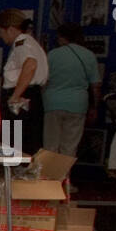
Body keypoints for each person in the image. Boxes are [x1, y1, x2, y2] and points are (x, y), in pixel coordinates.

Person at [43, 22, 100, 157]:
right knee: (70, 146)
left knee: (50, 145)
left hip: (53, 103)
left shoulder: (52, 55)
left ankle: (49, 176)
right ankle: (64, 176)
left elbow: (44, 81)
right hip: (78, 104)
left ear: (61, 37)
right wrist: (94, 107)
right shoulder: (88, 55)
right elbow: (96, 85)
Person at [0, 9, 48, 154]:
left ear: (10, 29)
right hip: (32, 93)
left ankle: (12, 173)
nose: (0, 36)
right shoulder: (32, 43)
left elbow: (30, 64)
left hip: (21, 95)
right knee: (30, 139)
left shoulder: (21, 43)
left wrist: (15, 95)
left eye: (1, 32)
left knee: (13, 142)